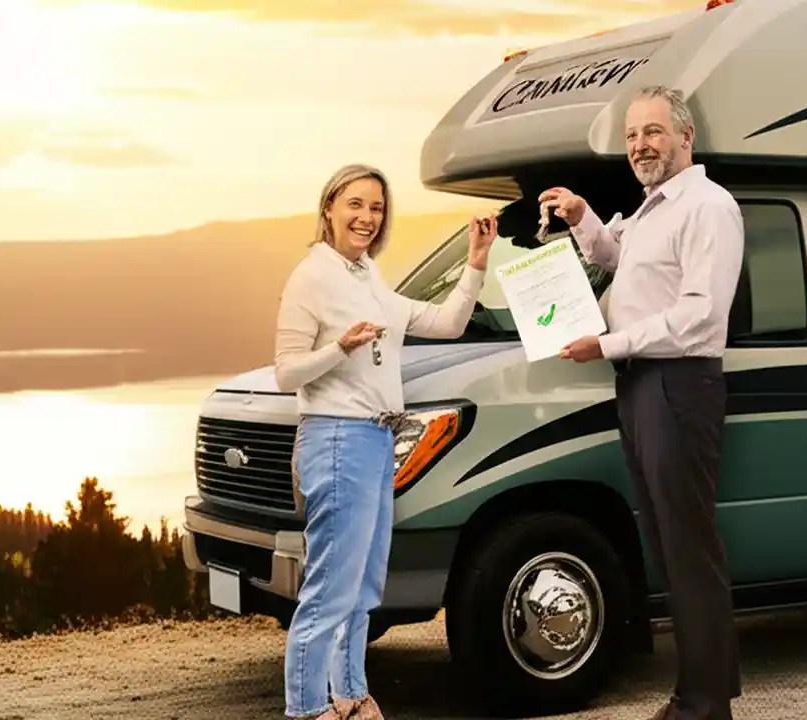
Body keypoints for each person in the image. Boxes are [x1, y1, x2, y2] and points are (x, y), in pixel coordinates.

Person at [543, 85, 745, 720]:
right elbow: (611, 255)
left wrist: (609, 342)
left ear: (686, 138)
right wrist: (581, 217)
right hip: (639, 384)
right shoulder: (651, 209)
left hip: (678, 383)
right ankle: (700, 697)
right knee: (666, 545)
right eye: (632, 136)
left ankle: (704, 705)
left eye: (653, 132)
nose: (640, 145)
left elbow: (698, 315)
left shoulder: (707, 207)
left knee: (689, 548)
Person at [274, 163, 496, 720]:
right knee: (329, 589)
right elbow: (286, 374)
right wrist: (339, 349)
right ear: (329, 208)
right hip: (335, 440)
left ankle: (349, 696)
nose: (367, 217)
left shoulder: (368, 278)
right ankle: (306, 711)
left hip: (376, 442)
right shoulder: (311, 277)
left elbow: (445, 322)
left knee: (364, 589)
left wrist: (474, 263)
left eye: (376, 208)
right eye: (355, 204)